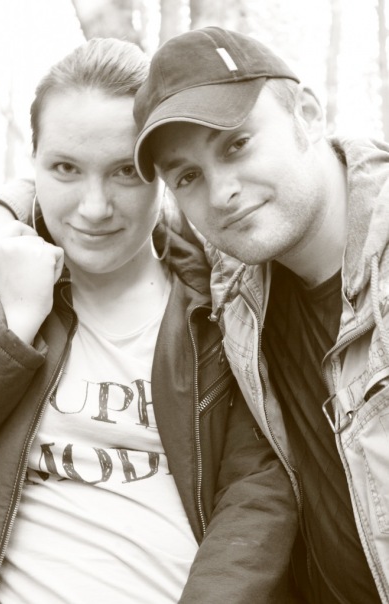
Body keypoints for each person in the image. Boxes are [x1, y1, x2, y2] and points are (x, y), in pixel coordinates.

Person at [0, 37, 298, 604]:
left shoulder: (226, 310)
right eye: (65, 168)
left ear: (161, 175)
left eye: (125, 172)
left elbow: (258, 495)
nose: (94, 207)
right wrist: (15, 324)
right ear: (33, 166)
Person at [130, 26, 389, 604]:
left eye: (237, 145)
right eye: (188, 176)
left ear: (308, 115)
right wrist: (3, 206)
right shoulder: (236, 274)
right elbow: (98, 220)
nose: (220, 192)